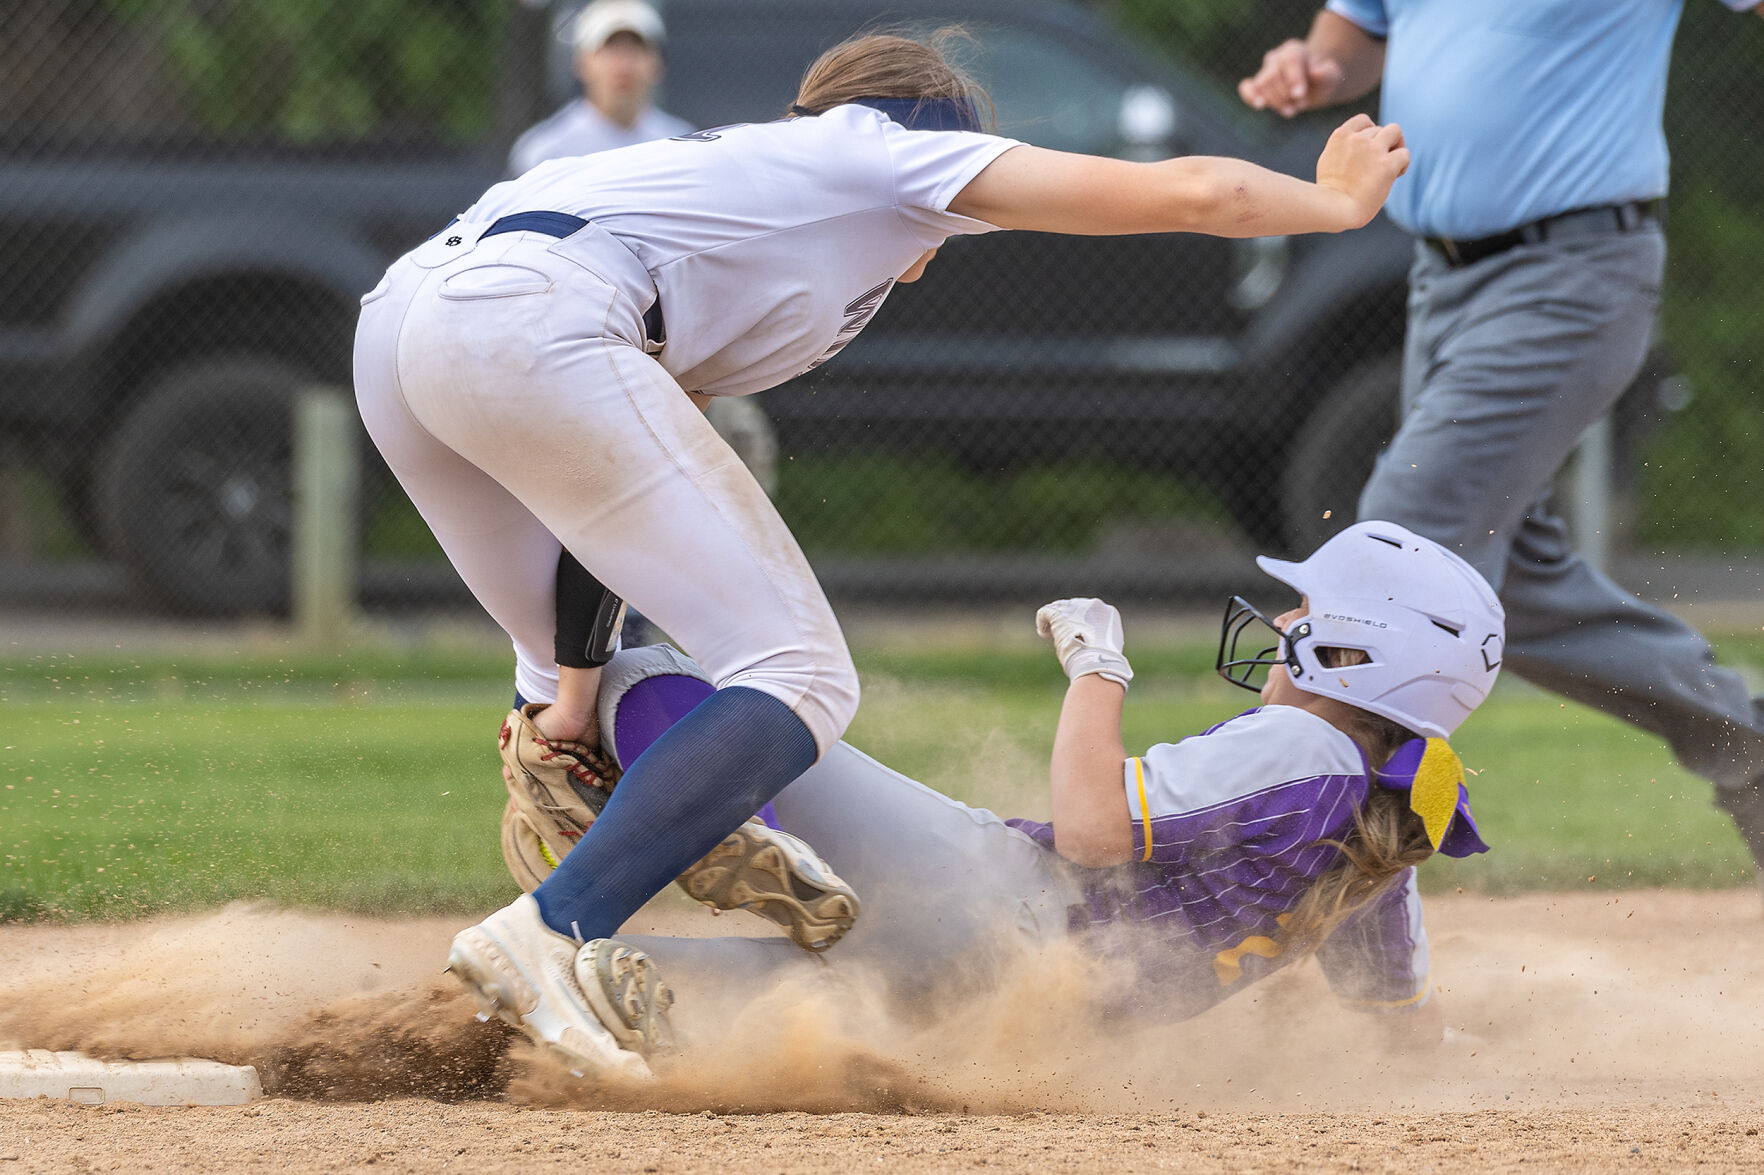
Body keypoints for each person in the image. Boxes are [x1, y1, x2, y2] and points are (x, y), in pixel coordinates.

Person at [353, 29, 1411, 1080]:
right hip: (531, 316)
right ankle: (557, 926)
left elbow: (603, 513)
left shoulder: (751, 202)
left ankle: (600, 866)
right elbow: (1194, 193)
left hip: (408, 332)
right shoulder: (886, 151)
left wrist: (569, 695)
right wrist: (1335, 203)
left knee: (596, 672)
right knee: (803, 674)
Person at [496, 521, 1504, 1068]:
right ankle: (693, 906)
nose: (1283, 621)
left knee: (652, 673)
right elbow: (1399, 1016)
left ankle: (742, 831)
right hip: (979, 1010)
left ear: (1352, 652)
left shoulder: (1303, 744)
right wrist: (1460, 1049)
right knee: (587, 995)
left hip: (993, 901)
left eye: (1307, 609)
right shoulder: (1390, 829)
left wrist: (1098, 665)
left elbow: (1094, 827)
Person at [1238, 0, 1764, 876]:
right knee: (1505, 584)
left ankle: (1287, 854)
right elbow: (1355, 35)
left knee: (1403, 550)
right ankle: (1748, 746)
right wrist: (1316, 65)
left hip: (1571, 270)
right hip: (1439, 277)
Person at [507, 0, 692, 178]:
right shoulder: (544, 151)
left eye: (636, 49)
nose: (624, 65)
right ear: (581, 63)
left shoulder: (682, 146)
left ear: (658, 63)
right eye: (610, 50)